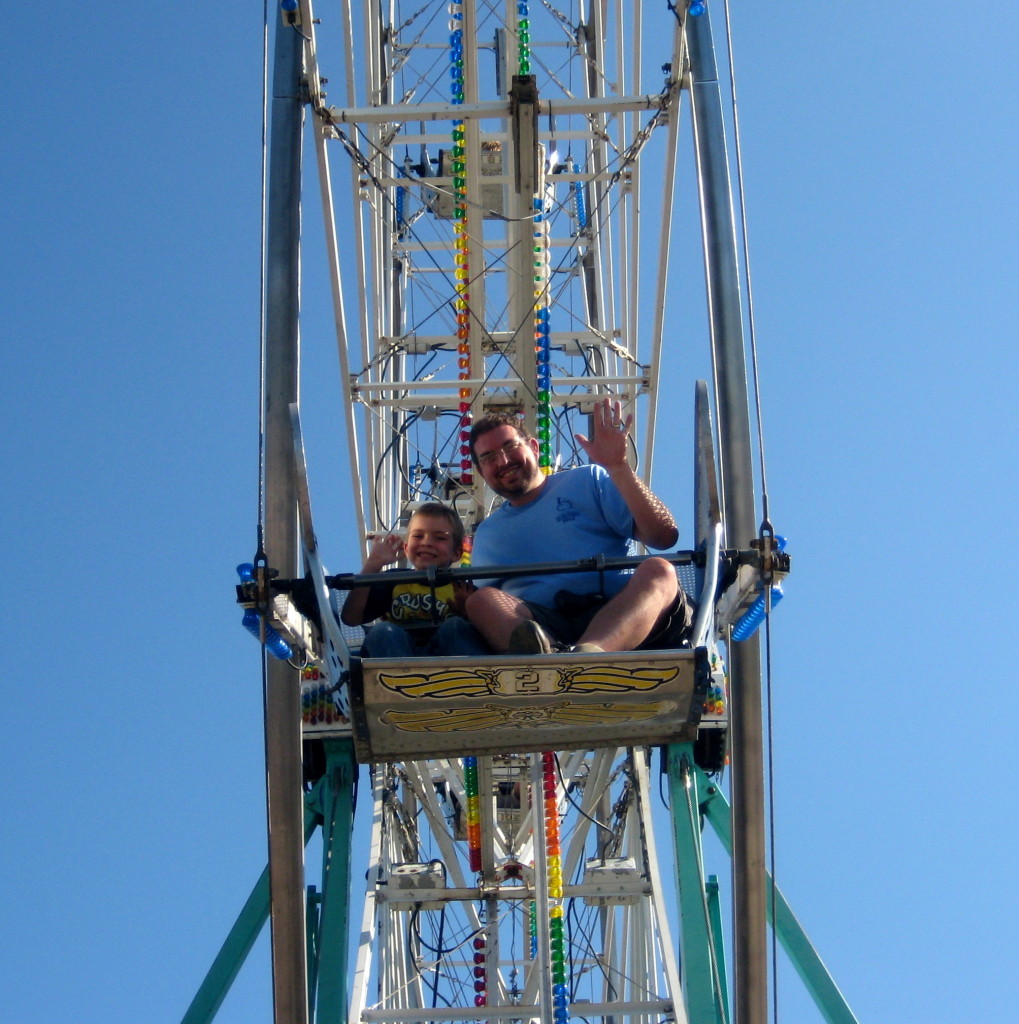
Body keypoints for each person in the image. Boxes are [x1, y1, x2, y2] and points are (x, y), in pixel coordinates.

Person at [465, 397, 692, 654]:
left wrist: (619, 467)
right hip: (543, 627)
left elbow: (663, 536)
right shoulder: (488, 534)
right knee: (480, 601)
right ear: (482, 472)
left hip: (622, 613)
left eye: (510, 447)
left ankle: (587, 658)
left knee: (660, 571)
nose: (503, 461)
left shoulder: (587, 480)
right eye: (489, 457)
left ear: (533, 447)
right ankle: (550, 657)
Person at [341, 501, 489, 658]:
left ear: (457, 553)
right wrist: (372, 566)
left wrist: (467, 613)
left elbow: (488, 634)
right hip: (400, 655)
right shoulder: (395, 580)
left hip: (448, 662)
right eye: (418, 536)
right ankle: (397, 679)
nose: (426, 542)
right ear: (406, 548)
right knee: (382, 631)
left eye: (439, 538)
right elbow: (351, 618)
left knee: (457, 627)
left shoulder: (463, 588)